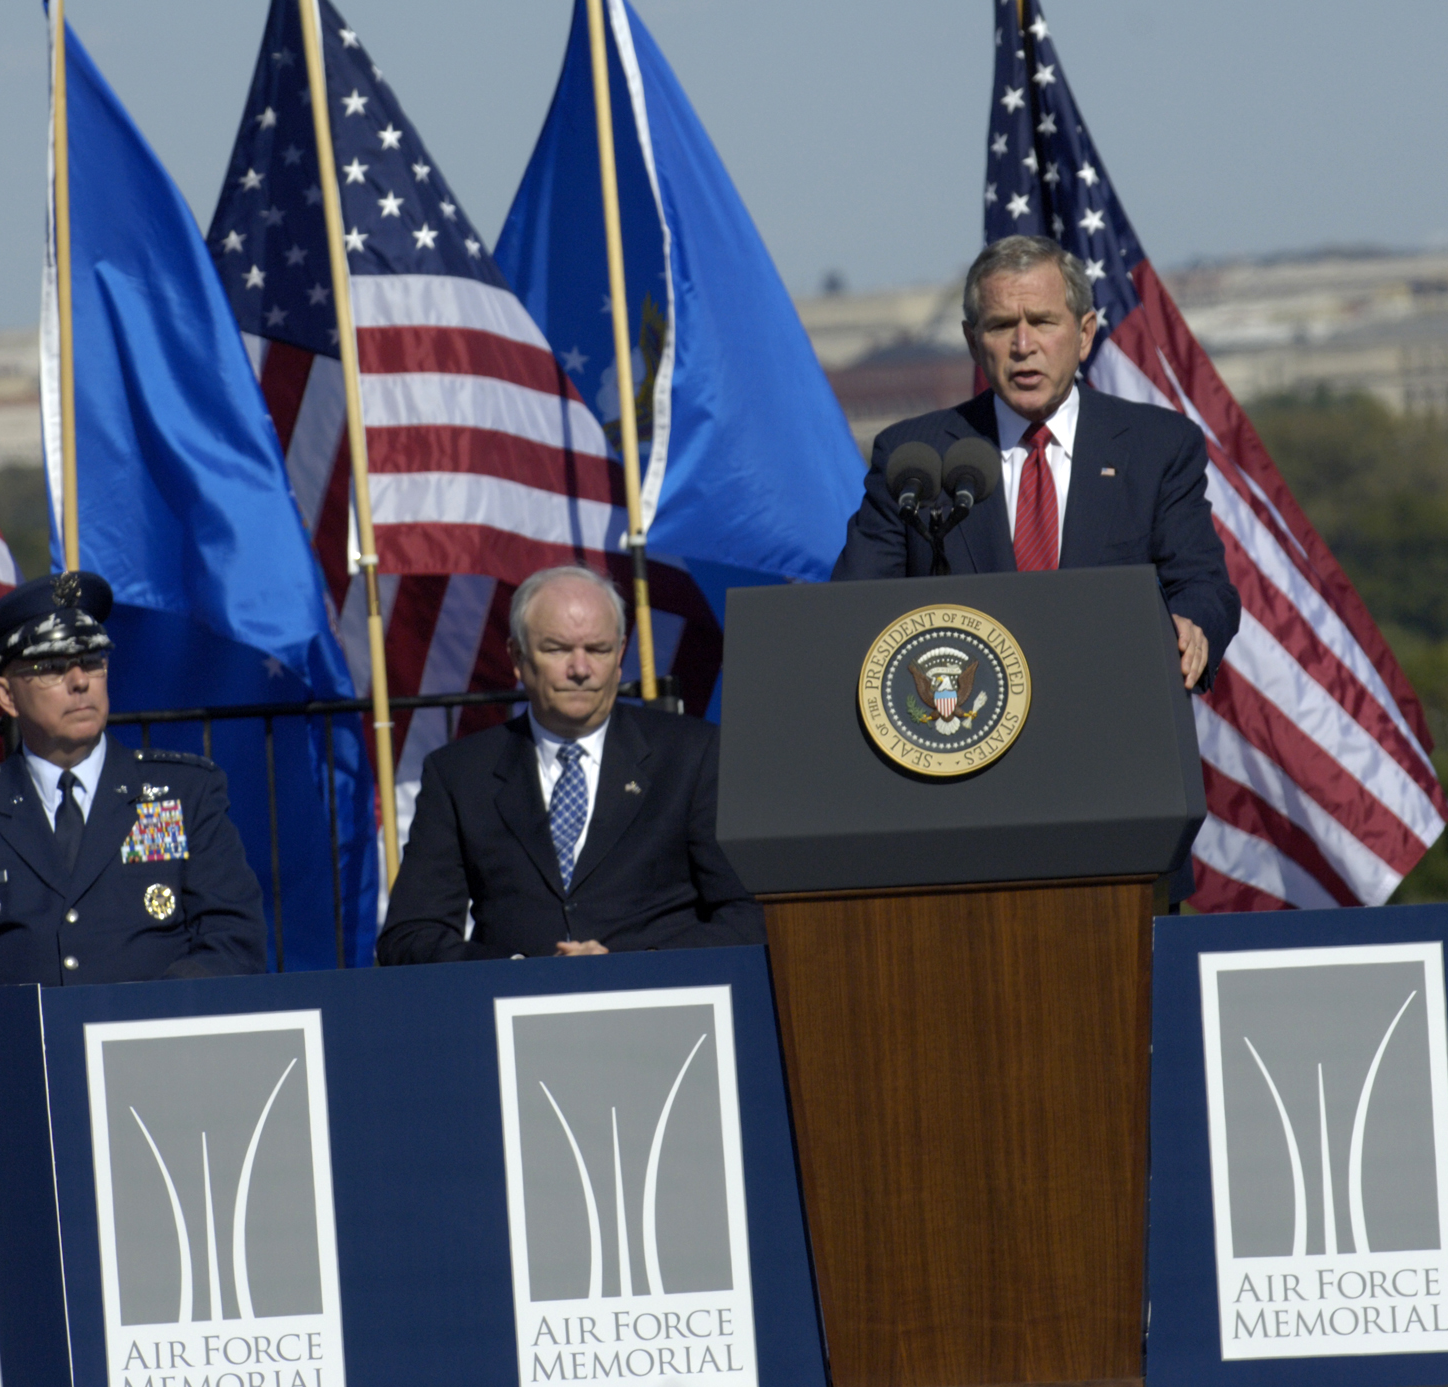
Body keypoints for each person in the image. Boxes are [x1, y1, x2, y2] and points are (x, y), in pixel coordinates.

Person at [831, 234, 1239, 693]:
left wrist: (1192, 625)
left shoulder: (1156, 446)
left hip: (1112, 717)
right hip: (961, 732)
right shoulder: (916, 459)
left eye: (1043, 322)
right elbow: (853, 610)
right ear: (972, 340)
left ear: (1084, 334)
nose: (1023, 344)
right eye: (1002, 326)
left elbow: (1204, 586)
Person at [378, 566, 764, 964]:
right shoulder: (459, 775)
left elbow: (749, 916)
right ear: (517, 657)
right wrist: (514, 971)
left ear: (619, 655)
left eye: (597, 650)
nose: (580, 669)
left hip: (661, 1008)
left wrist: (632, 963)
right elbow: (410, 936)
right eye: (558, 649)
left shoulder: (692, 756)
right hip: (513, 1010)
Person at [0, 572, 265, 987]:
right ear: (6, 695)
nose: (80, 681)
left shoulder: (186, 792)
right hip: (25, 1046)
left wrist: (147, 1021)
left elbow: (234, 940)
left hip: (154, 1041)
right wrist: (20, 1026)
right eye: (52, 668)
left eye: (92, 661)